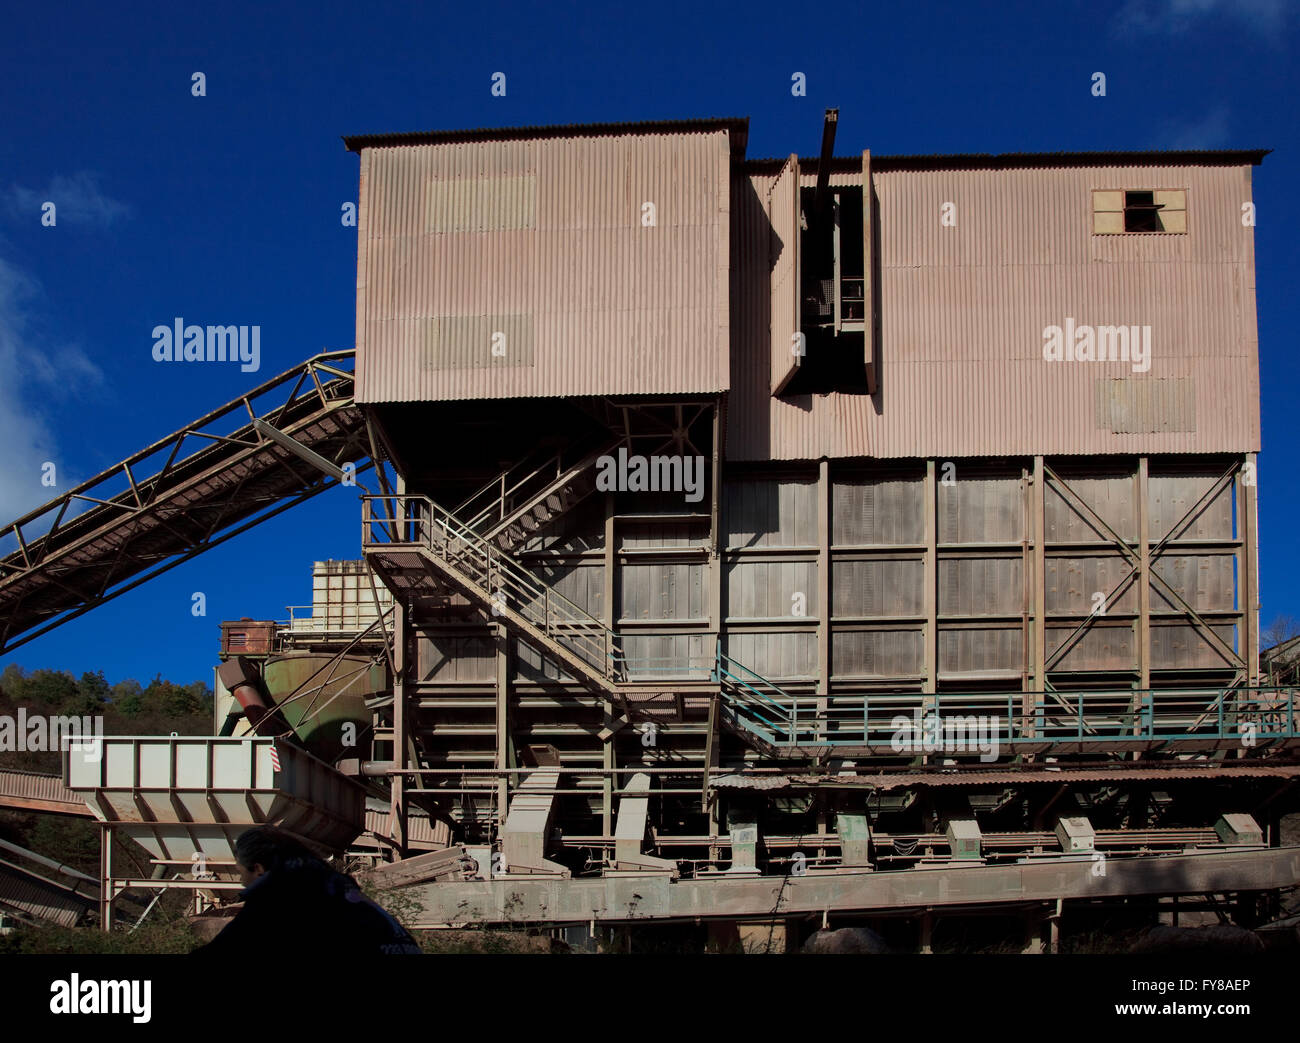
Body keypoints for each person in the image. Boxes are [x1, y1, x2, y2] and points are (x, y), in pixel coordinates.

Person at [191, 826, 422, 955]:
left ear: (259, 869)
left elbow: (228, 948)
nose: (242, 882)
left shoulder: (280, 895)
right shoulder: (328, 883)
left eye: (241, 872)